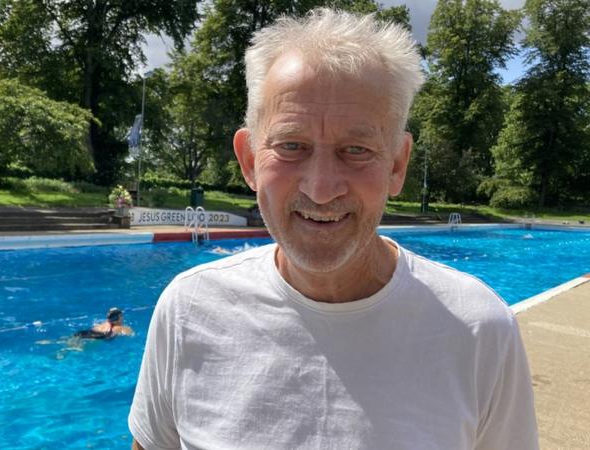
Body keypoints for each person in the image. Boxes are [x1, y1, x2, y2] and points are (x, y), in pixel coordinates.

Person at [128, 8, 538, 450]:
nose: (321, 189)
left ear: (397, 165)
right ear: (249, 160)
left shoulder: (478, 330)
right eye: (291, 146)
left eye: (356, 150)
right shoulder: (188, 309)